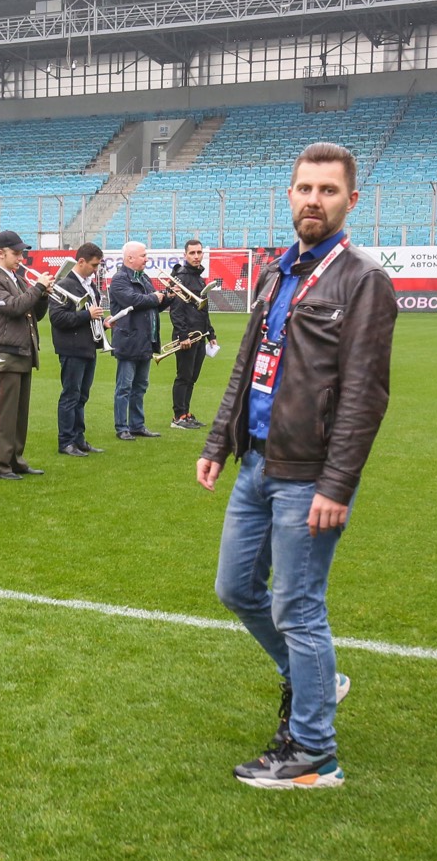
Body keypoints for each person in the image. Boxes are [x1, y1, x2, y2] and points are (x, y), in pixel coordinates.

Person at [197, 142, 397, 790]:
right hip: (257, 464)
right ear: (290, 194)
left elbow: (365, 393)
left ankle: (315, 754)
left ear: (350, 201)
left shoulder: (362, 279)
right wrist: (216, 443)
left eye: (328, 190)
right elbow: (247, 366)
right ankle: (318, 681)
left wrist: (337, 484)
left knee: (299, 608)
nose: (314, 199)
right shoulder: (277, 272)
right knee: (235, 588)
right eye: (304, 188)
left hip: (308, 474)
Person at [0, 230, 48, 479]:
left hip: (23, 351)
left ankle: (15, 458)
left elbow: (35, 313)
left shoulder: (17, 279)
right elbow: (13, 308)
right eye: (16, 253)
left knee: (20, 413)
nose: (21, 258)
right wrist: (38, 287)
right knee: (3, 414)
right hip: (6, 352)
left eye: (21, 253)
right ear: (0, 253)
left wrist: (43, 296)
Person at [48, 242, 108, 458]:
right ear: (81, 261)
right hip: (72, 348)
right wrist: (87, 315)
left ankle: (79, 438)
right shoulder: (63, 284)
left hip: (88, 346)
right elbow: (57, 318)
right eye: (93, 265)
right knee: (70, 395)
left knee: (82, 395)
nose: (96, 269)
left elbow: (91, 316)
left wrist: (103, 323)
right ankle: (65, 441)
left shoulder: (89, 286)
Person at [108, 240, 171, 441]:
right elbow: (133, 301)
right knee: (124, 387)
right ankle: (122, 427)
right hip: (128, 340)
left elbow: (152, 306)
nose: (146, 258)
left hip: (145, 340)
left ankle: (137, 425)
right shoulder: (119, 280)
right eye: (143, 255)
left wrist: (169, 297)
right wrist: (155, 297)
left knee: (140, 386)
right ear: (130, 258)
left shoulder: (144, 278)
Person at [167, 238, 217, 431]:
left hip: (199, 334)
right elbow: (176, 311)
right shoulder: (181, 276)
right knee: (183, 376)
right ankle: (178, 416)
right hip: (187, 336)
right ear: (185, 255)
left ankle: (186, 414)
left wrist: (210, 333)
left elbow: (203, 310)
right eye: (192, 253)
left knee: (192, 378)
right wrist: (182, 336)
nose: (196, 256)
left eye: (199, 252)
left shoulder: (198, 277)